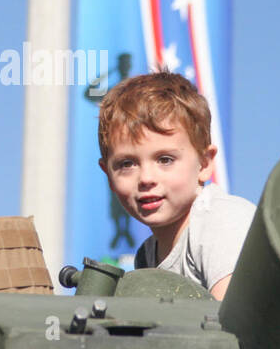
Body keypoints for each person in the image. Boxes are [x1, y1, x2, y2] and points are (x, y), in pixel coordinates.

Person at [97, 72, 255, 299]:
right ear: (108, 175)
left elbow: (233, 324)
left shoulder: (221, 221)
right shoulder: (148, 255)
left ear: (204, 163)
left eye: (165, 160)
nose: (146, 178)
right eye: (127, 164)